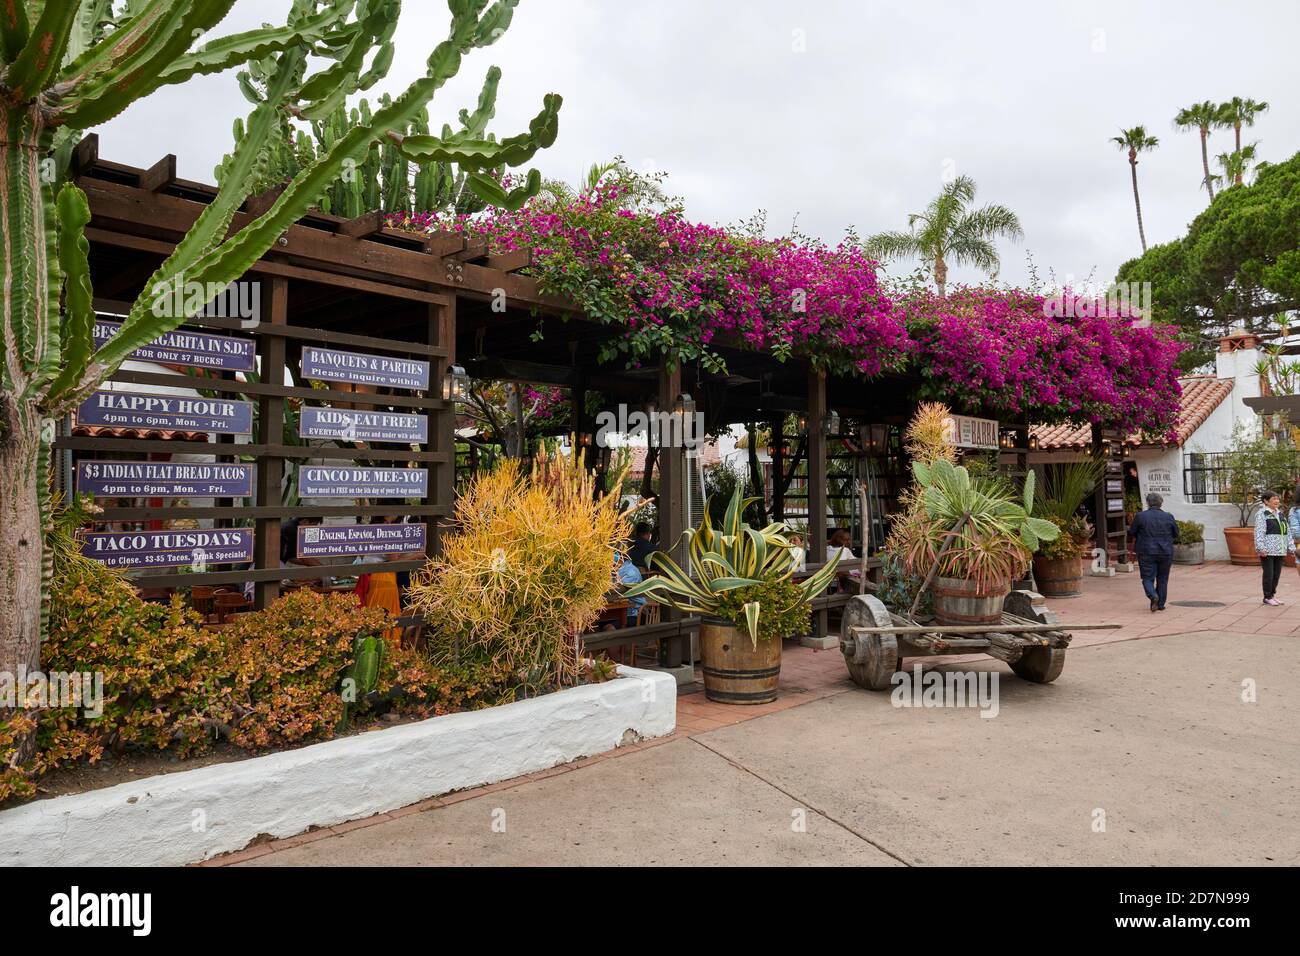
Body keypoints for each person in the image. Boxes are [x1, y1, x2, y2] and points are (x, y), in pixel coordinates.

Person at [1128, 492, 1177, 612]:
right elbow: (1176, 533)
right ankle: (1160, 604)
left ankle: (1153, 595)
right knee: (1163, 578)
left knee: (1147, 577)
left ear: (1148, 503)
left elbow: (1132, 532)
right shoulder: (1168, 516)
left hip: (1146, 551)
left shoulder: (1141, 516)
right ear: (1161, 503)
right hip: (1165, 551)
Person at [1254, 490, 1293, 605]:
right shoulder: (1262, 514)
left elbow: (1287, 531)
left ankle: (1272, 595)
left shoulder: (1280, 514)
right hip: (1267, 550)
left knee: (1276, 574)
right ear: (1266, 501)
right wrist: (1261, 548)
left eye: (1277, 499)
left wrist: (1291, 547)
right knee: (1269, 574)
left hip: (1279, 550)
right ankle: (1267, 596)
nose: (1277, 501)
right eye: (1274, 499)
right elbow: (1259, 532)